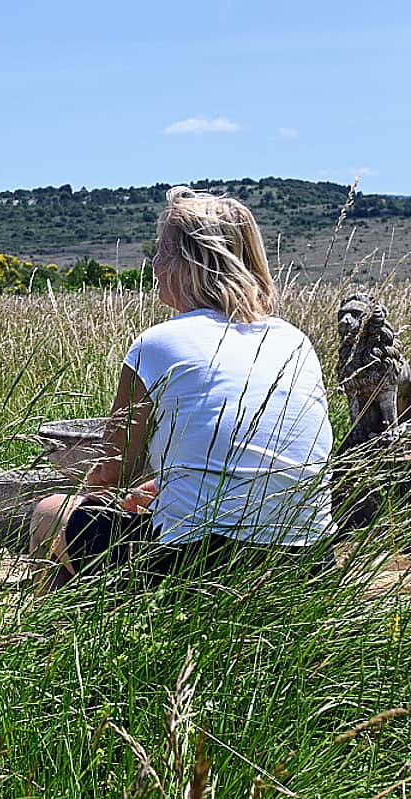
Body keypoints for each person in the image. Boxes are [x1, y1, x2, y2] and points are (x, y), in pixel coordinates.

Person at [29, 186, 335, 590]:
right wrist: (166, 488)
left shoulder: (157, 345)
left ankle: (59, 632)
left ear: (186, 263)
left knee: (51, 513)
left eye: (161, 252)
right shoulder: (293, 339)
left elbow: (111, 473)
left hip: (198, 564)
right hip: (309, 562)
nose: (154, 263)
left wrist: (103, 501)